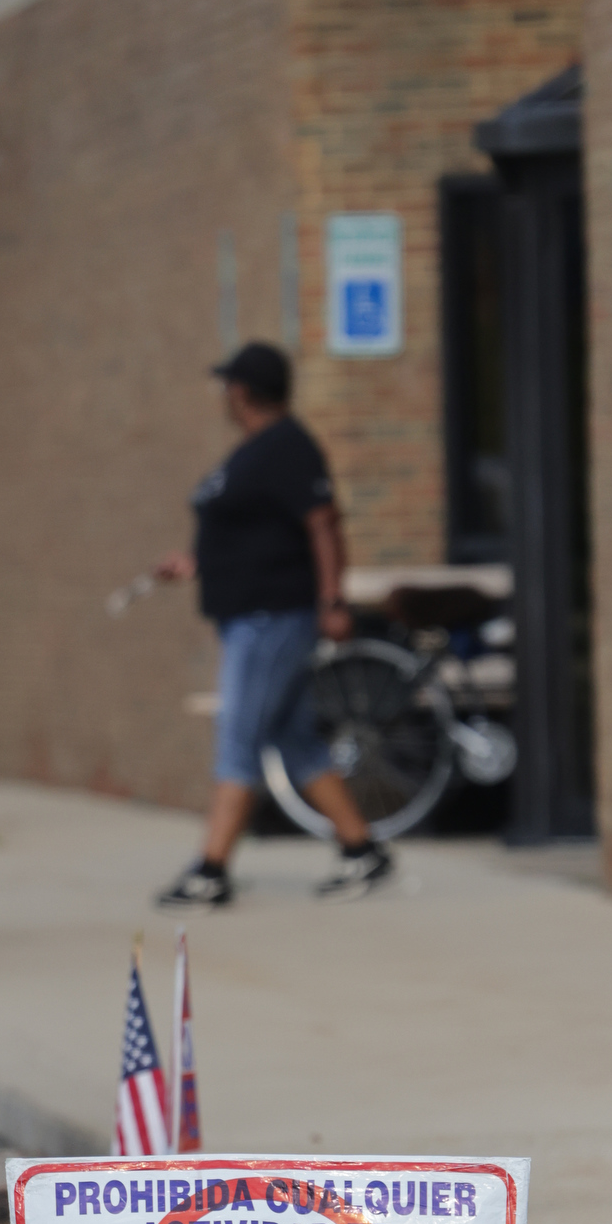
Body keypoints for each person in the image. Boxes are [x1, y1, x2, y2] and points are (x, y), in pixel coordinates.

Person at [154, 341, 391, 907]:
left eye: (227, 388)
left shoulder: (288, 447)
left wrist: (333, 599)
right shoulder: (256, 451)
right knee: (296, 741)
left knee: (239, 738)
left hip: (272, 618)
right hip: (248, 614)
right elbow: (253, 531)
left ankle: (211, 869)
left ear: (241, 391)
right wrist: (198, 563)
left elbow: (323, 525)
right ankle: (362, 851)